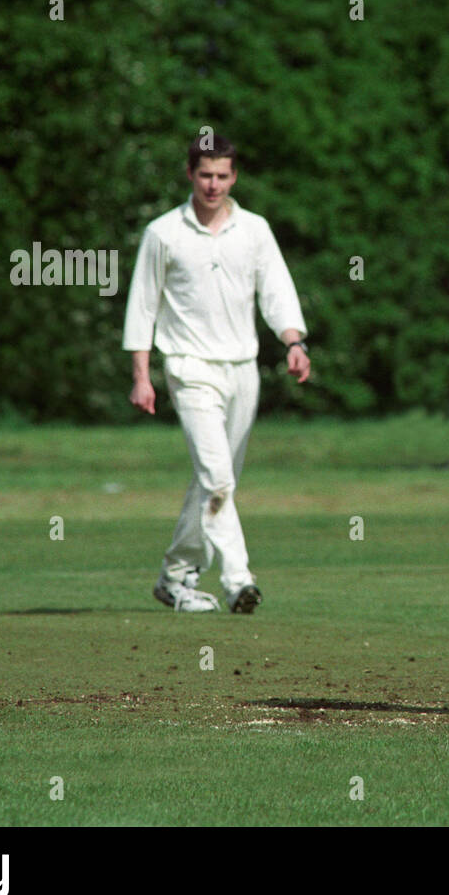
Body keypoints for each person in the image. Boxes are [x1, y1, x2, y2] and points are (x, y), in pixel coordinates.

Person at [122, 134, 310, 614]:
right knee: (217, 477)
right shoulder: (163, 233)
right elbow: (142, 306)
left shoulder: (254, 230)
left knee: (215, 482)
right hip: (189, 369)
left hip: (242, 371)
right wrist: (141, 376)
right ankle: (238, 579)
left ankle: (175, 577)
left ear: (234, 176)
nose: (213, 184)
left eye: (222, 175)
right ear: (190, 174)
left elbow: (277, 291)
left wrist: (293, 342)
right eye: (205, 174)